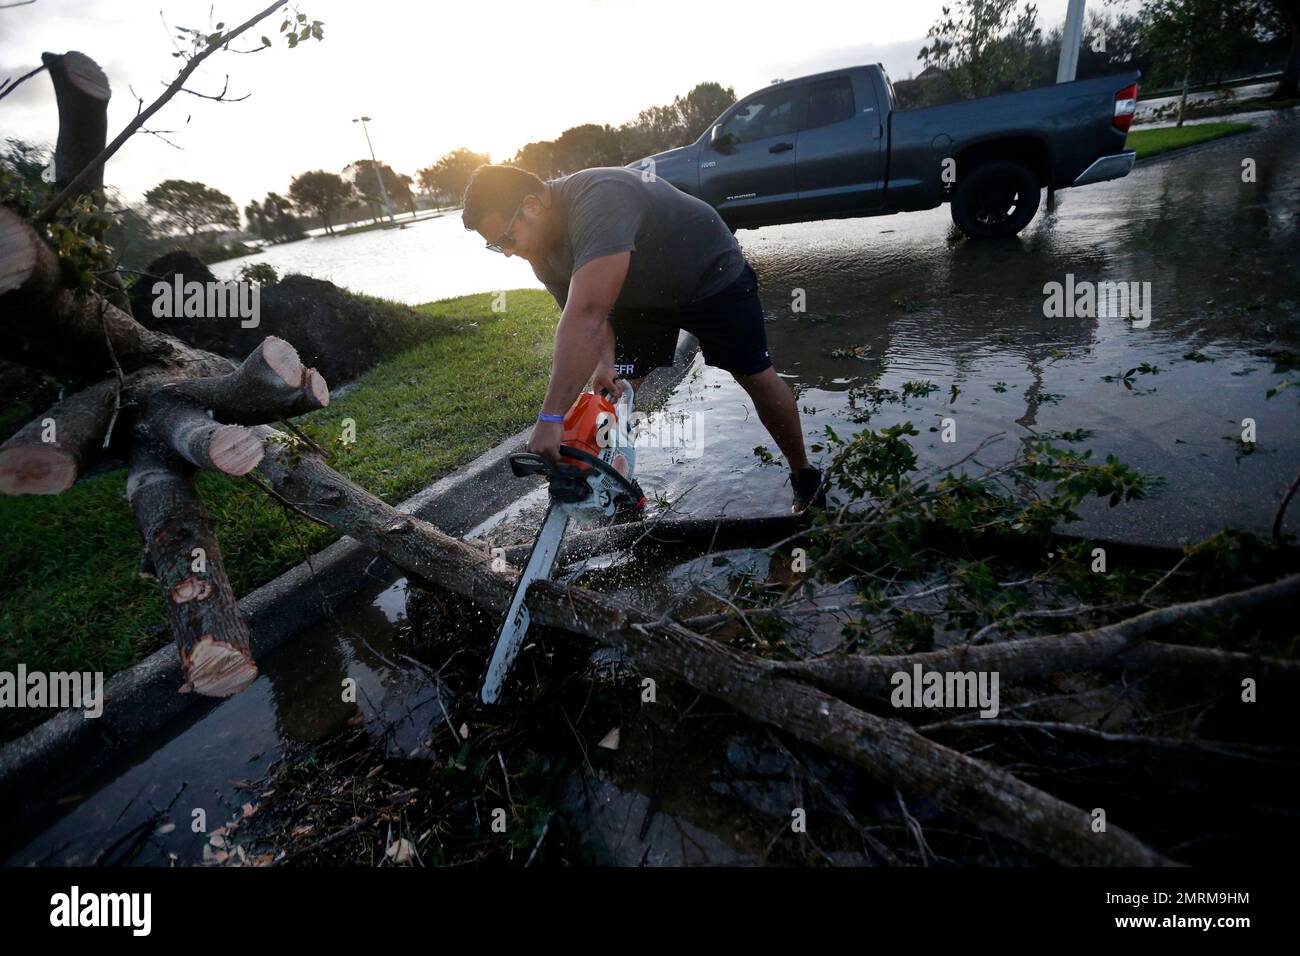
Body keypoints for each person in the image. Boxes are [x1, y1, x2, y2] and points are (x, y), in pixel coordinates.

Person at [462, 164, 825, 513]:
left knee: (755, 376)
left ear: (531, 204)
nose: (509, 252)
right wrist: (604, 365)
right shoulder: (540, 252)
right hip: (640, 300)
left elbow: (585, 314)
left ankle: (804, 475)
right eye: (497, 246)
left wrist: (551, 416)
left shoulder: (599, 198)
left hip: (709, 275)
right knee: (614, 390)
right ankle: (619, 487)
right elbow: (592, 318)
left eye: (507, 237)